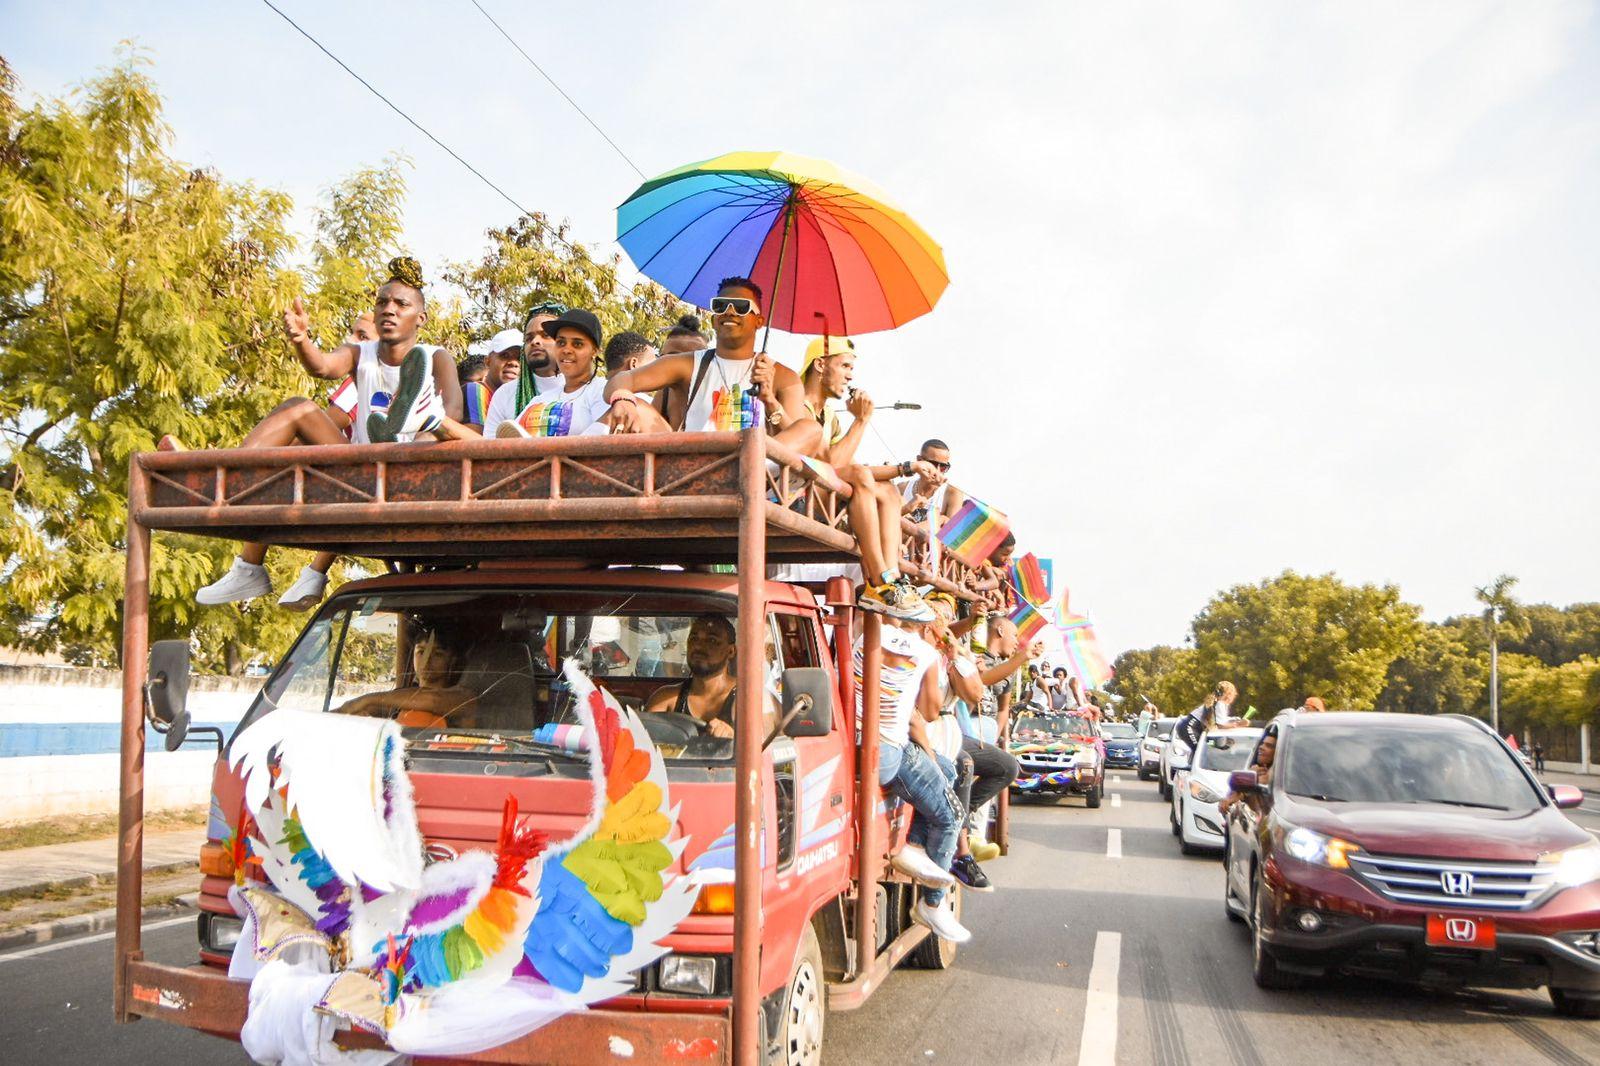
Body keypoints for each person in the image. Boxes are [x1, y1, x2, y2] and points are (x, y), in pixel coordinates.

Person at [194, 258, 468, 606]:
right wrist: (301, 340)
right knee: (298, 408)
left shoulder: (435, 356)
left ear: (421, 318)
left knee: (429, 434)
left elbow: (453, 413)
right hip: (357, 469)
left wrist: (423, 429)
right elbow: (323, 367)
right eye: (382, 302)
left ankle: (282, 561)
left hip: (411, 472)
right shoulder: (360, 352)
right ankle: (224, 482)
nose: (389, 310)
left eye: (401, 304)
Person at [602, 277, 817, 455]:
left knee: (812, 429)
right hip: (695, 469)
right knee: (635, 405)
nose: (729, 312)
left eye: (741, 307)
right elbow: (620, 380)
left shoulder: (784, 377)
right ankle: (580, 475)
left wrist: (770, 401)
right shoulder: (687, 364)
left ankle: (746, 466)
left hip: (755, 474)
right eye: (720, 305)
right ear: (714, 319)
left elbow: (803, 443)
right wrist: (623, 398)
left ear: (759, 321)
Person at [856, 620, 971, 944]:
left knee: (946, 770)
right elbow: (929, 711)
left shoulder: (860, 634)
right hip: (889, 751)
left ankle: (916, 846)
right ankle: (932, 904)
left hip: (866, 740)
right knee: (951, 815)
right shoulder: (924, 653)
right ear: (927, 628)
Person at [927, 593, 1019, 890]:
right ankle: (961, 852)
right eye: (941, 618)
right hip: (929, 732)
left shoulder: (950, 651)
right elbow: (931, 709)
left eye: (948, 618)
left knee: (1007, 767)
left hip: (951, 732)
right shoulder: (925, 653)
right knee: (964, 765)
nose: (946, 625)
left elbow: (977, 691)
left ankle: (960, 819)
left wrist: (963, 661)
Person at [644, 615, 775, 736]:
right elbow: (642, 743)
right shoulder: (666, 699)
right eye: (694, 638)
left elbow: (765, 747)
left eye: (712, 640)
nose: (698, 646)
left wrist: (734, 739)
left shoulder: (751, 698)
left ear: (731, 651)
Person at [496, 310, 613, 438]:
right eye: (561, 343)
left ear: (595, 351)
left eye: (577, 344)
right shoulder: (540, 400)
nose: (566, 350)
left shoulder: (603, 391)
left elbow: (602, 441)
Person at [338, 628, 480, 728]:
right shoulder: (398, 700)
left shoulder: (463, 697)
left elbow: (433, 700)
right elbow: (356, 711)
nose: (426, 660)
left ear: (453, 660)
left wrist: (365, 699)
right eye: (421, 652)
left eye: (437, 654)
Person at [483, 302, 567, 437]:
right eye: (529, 338)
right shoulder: (505, 394)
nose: (535, 341)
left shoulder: (585, 389)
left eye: (545, 335)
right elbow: (490, 445)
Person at [462, 328, 525, 433]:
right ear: (488, 361)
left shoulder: (520, 398)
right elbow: (476, 440)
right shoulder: (476, 390)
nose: (513, 363)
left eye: (519, 358)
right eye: (505, 356)